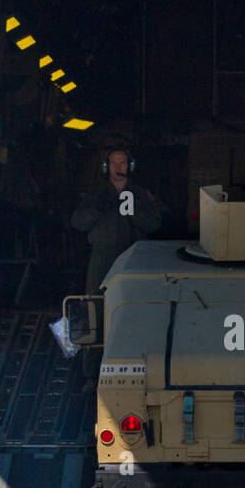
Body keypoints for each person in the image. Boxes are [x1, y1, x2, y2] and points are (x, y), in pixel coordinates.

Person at [70, 147, 164, 387]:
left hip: (133, 259)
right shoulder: (97, 194)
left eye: (122, 163)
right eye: (114, 163)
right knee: (95, 310)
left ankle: (134, 369)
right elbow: (77, 222)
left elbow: (154, 224)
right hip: (102, 258)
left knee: (132, 311)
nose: (118, 167)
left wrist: (133, 212)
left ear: (130, 166)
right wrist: (97, 208)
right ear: (106, 167)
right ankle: (91, 374)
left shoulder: (141, 195)